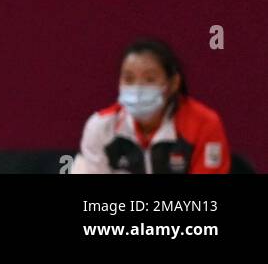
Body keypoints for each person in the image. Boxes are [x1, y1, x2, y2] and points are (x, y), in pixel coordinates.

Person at [71, 38, 231, 174]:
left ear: (173, 83)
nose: (138, 88)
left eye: (150, 79)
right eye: (129, 79)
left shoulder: (203, 124)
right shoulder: (100, 127)